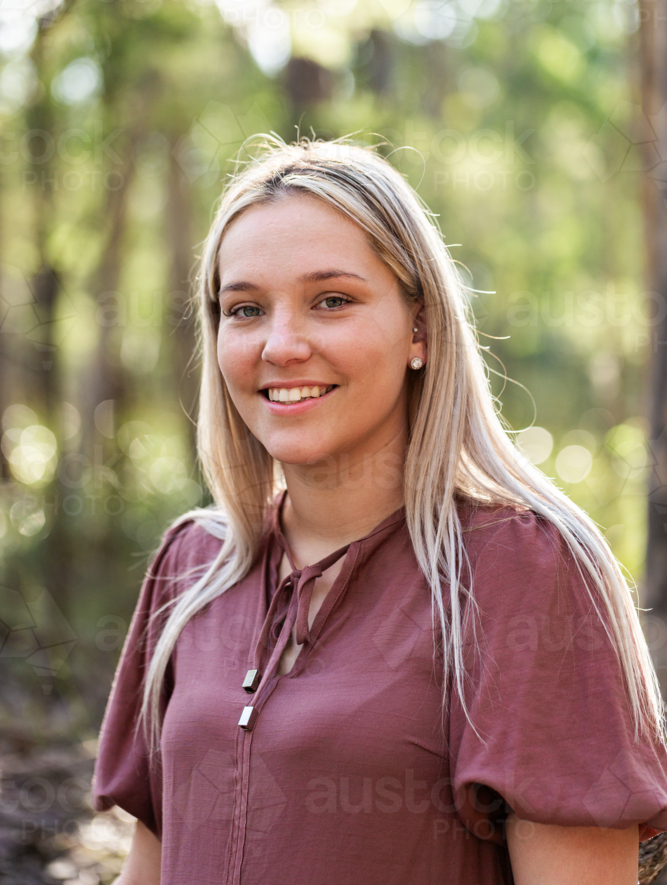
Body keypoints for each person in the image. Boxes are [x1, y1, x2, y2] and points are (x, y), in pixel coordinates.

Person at [92, 137, 667, 885]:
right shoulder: (192, 565)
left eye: (331, 300)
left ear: (419, 329)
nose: (282, 344)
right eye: (245, 309)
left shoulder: (525, 568)